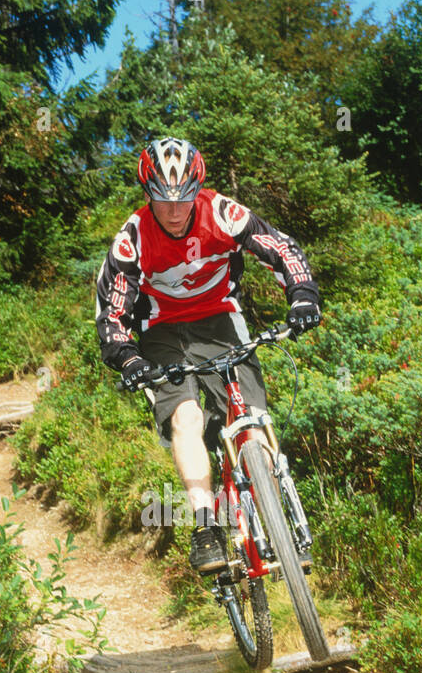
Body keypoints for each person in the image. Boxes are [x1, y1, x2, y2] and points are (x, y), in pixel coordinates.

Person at [95, 136, 321, 572]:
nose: (176, 212)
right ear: (148, 195)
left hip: (220, 320)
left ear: (198, 189)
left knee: (251, 417)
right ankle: (205, 526)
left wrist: (303, 298)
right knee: (187, 417)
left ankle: (277, 514)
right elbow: (112, 313)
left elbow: (281, 250)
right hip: (160, 329)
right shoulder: (133, 238)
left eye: (184, 199)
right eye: (163, 201)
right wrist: (128, 359)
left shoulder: (222, 213)